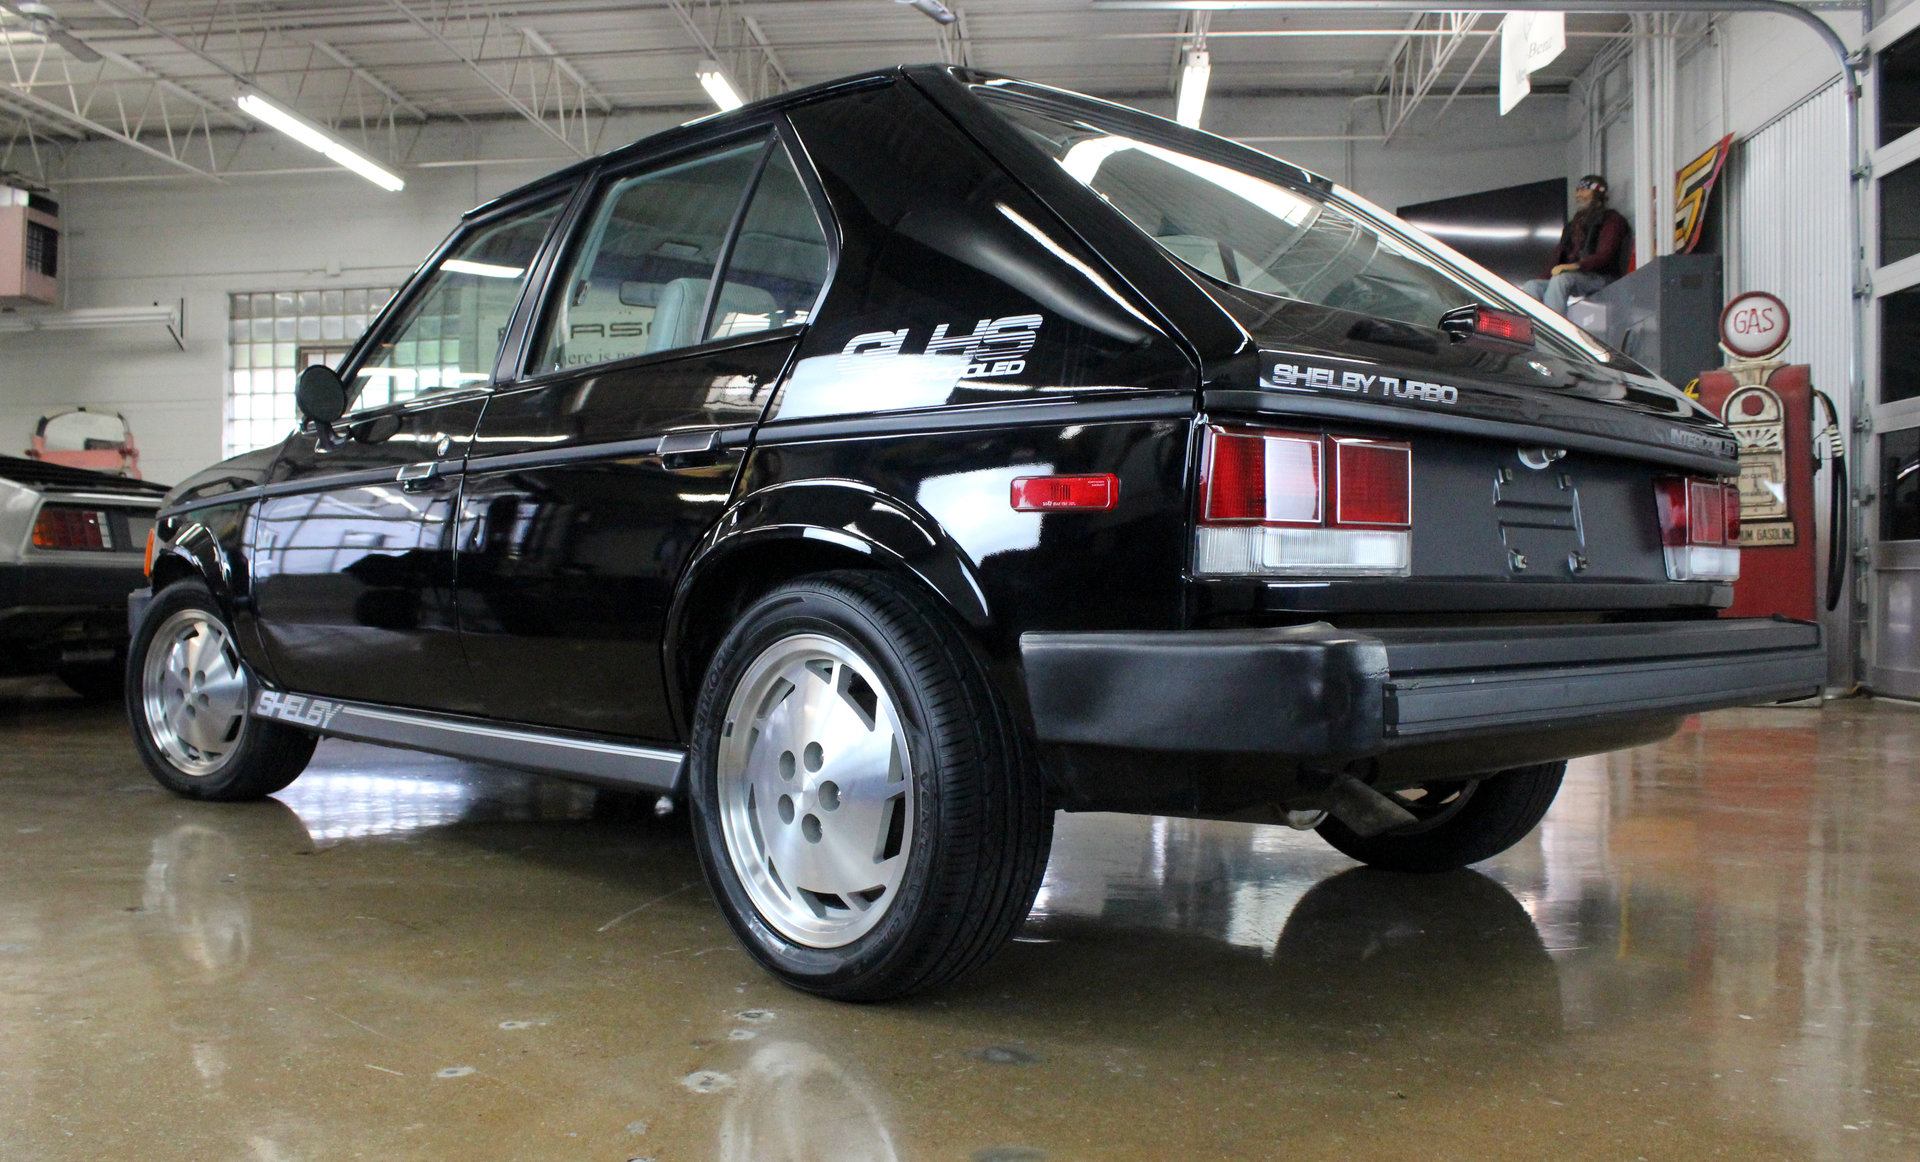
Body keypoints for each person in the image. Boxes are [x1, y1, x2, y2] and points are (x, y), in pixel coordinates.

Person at [1521, 175, 1632, 314]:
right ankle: (1534, 326)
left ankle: (1553, 326)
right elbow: (1556, 260)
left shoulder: (1611, 220)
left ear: (1598, 194)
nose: (1578, 194)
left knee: (1560, 280)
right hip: (1575, 277)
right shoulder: (1572, 226)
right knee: (1532, 286)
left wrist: (1574, 266)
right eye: (1578, 190)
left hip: (1602, 278)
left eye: (1584, 190)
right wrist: (1544, 278)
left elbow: (1605, 255)